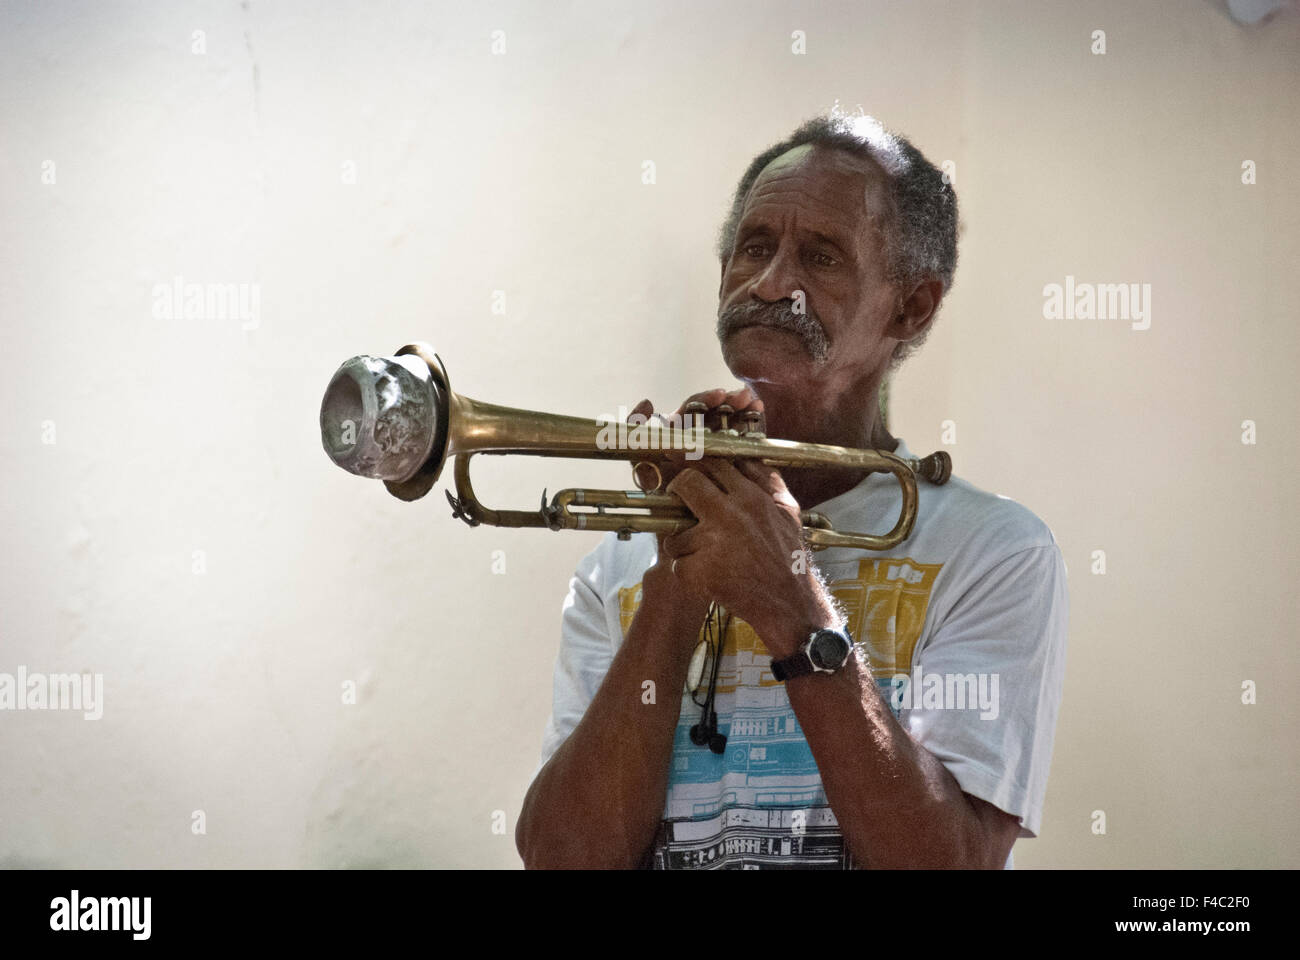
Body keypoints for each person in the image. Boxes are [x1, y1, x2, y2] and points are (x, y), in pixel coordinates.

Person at [514, 110, 1068, 869]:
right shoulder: (616, 570)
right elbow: (561, 859)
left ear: (912, 307)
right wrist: (677, 579)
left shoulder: (996, 553)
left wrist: (791, 598)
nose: (772, 284)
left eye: (822, 256)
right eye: (754, 247)